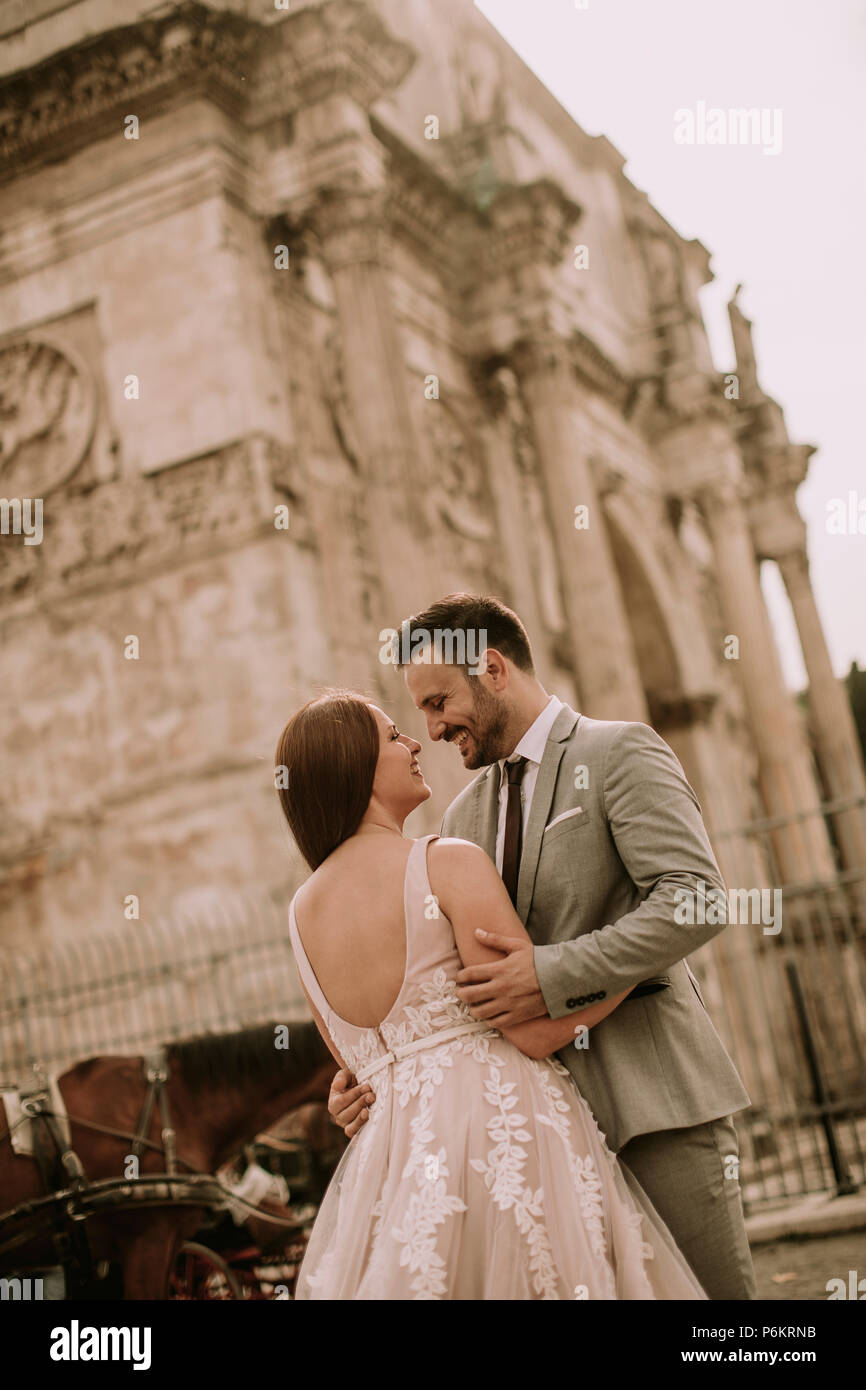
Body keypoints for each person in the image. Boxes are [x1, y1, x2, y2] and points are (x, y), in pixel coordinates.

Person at [327, 594, 756, 1301]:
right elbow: (462, 987)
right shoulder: (462, 818)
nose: (431, 729)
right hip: (542, 1145)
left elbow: (696, 899)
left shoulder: (619, 751)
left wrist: (553, 973)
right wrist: (376, 1078)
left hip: (658, 1115)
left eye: (438, 702)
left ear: (492, 668)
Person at [276, 687, 709, 1299]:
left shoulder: (300, 915)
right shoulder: (446, 863)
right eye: (393, 737)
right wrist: (638, 967)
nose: (413, 743)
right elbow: (535, 1031)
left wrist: (352, 1095)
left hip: (391, 1166)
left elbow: (359, 1074)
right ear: (355, 767)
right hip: (502, 1136)